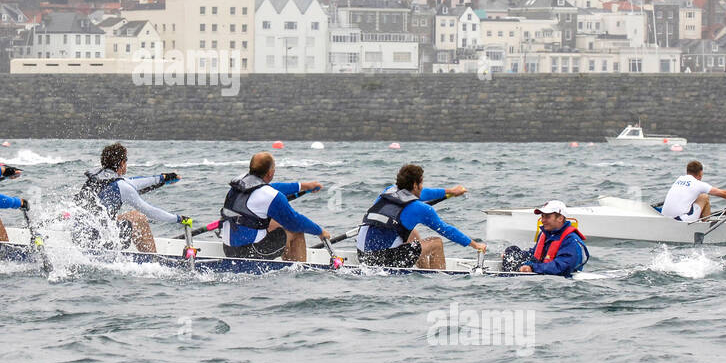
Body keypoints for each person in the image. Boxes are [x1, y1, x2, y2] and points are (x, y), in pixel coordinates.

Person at [356, 164, 485, 269]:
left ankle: (424, 271)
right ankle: (437, 284)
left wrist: (451, 191)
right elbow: (447, 230)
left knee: (413, 233)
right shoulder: (421, 209)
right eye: (421, 183)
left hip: (363, 256)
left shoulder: (388, 191)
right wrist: (475, 245)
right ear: (415, 185)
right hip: (382, 261)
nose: (422, 187)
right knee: (436, 243)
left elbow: (424, 193)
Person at [72, 142, 186, 253]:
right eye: (126, 160)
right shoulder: (121, 186)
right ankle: (154, 262)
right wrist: (178, 219)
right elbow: (150, 211)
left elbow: (135, 182)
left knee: (124, 217)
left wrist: (163, 178)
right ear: (122, 163)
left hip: (80, 237)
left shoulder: (98, 177)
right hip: (97, 241)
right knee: (138, 217)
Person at [219, 152, 329, 262]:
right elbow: (295, 222)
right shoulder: (270, 195)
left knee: (274, 222)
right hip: (252, 253)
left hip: (228, 250)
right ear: (270, 173)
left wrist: (304, 186)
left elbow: (272, 187)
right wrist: (320, 232)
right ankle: (297, 271)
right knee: (295, 231)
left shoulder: (239, 183)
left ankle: (289, 260)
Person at [502, 200, 590, 277]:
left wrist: (532, 268)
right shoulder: (545, 234)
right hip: (542, 275)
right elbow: (535, 255)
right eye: (542, 216)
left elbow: (562, 266)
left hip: (561, 283)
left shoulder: (571, 240)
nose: (543, 220)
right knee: (511, 251)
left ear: (560, 218)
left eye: (547, 217)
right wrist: (513, 256)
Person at [659, 160, 726, 221]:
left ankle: (699, 218)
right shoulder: (698, 184)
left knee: (696, 197)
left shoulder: (679, 179)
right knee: (704, 197)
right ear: (700, 174)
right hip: (680, 221)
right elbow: (724, 194)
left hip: (665, 219)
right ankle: (705, 224)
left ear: (687, 172)